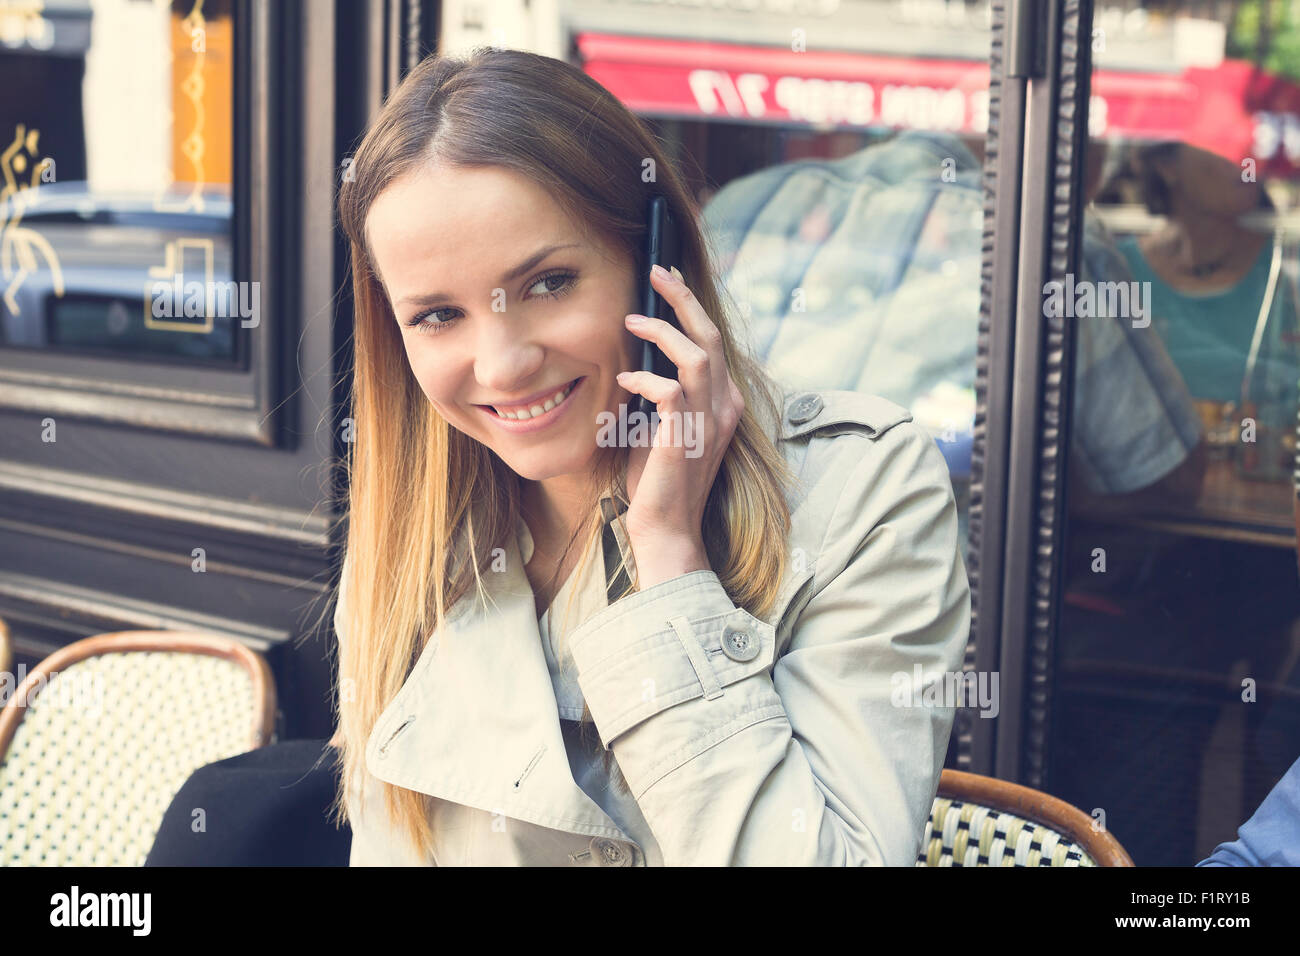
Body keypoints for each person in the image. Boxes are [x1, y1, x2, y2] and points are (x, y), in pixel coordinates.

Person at [330, 46, 970, 866]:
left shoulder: (864, 493)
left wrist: (669, 555)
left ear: (656, 266)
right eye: (437, 316)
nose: (502, 366)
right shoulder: (413, 533)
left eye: (549, 283)